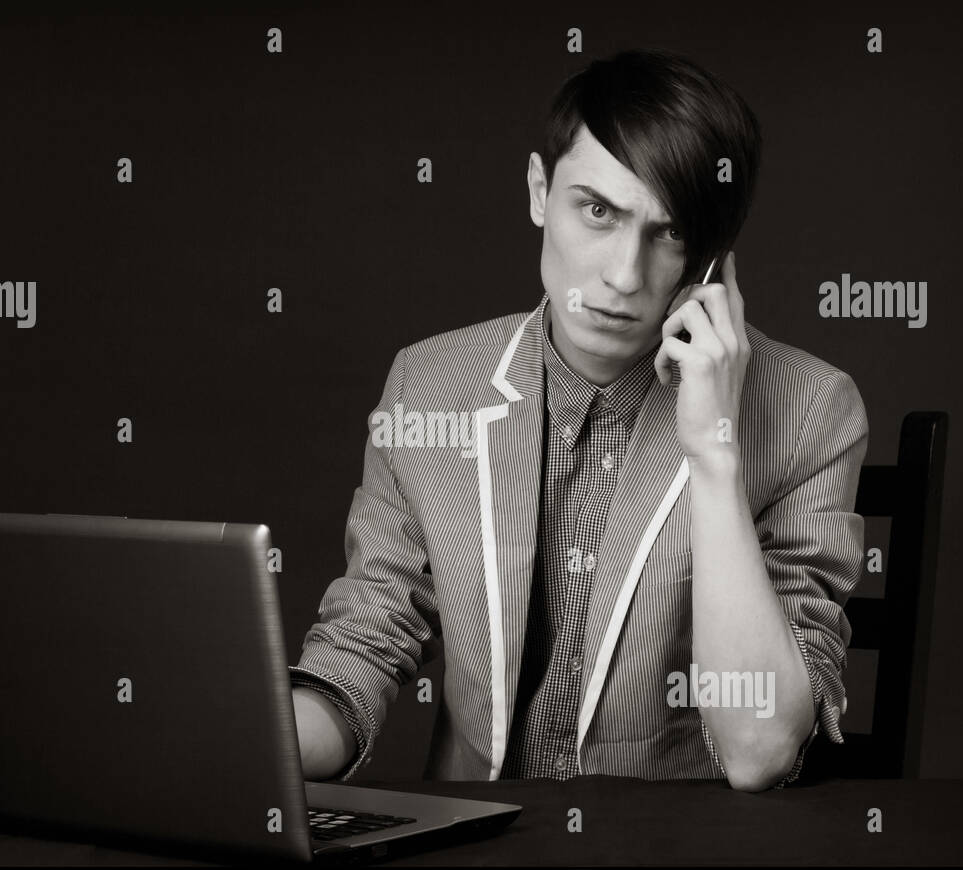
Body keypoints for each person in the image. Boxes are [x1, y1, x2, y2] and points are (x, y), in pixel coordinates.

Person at [289, 48, 867, 791]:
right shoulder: (429, 385)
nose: (624, 276)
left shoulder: (811, 409)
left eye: (670, 233)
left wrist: (714, 454)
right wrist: (245, 755)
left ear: (714, 258)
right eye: (598, 211)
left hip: (682, 850)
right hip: (484, 845)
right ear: (539, 191)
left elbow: (761, 751)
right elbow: (365, 642)